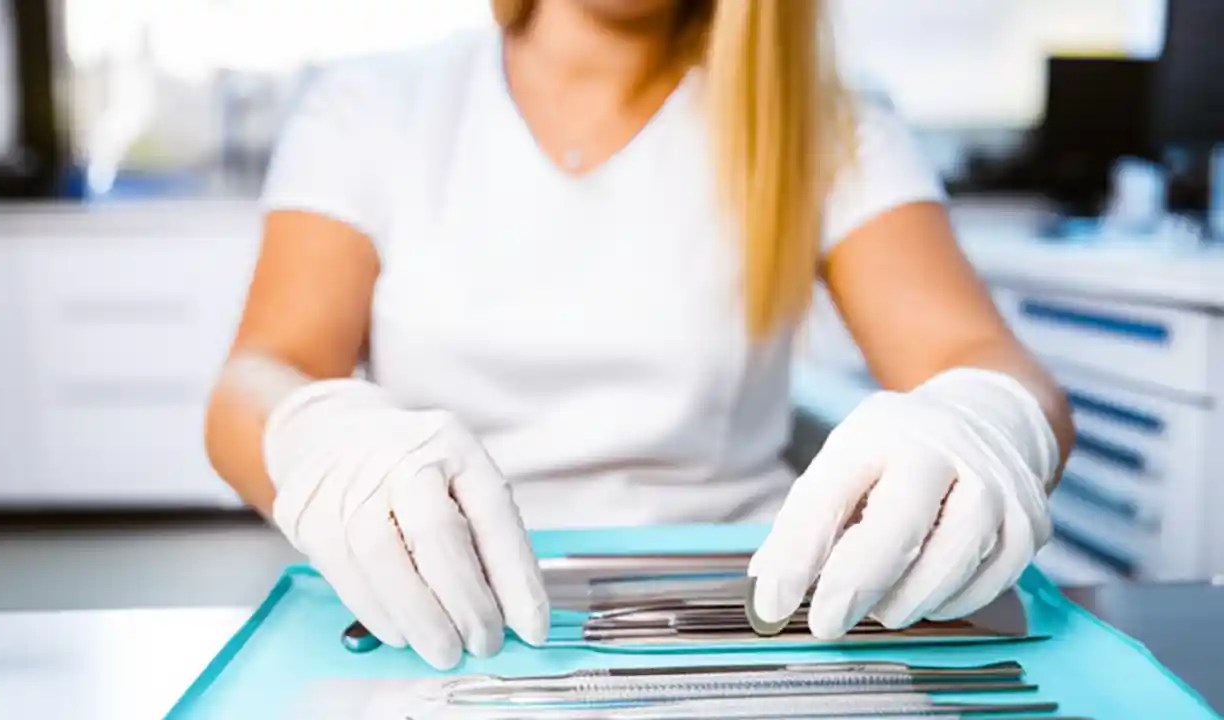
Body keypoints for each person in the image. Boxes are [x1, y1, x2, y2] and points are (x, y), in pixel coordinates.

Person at [204, 0, 1074, 671]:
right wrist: (318, 431)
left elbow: (980, 357)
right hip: (431, 606)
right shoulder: (372, 108)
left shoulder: (827, 121)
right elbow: (262, 369)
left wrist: (989, 415)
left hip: (746, 609)